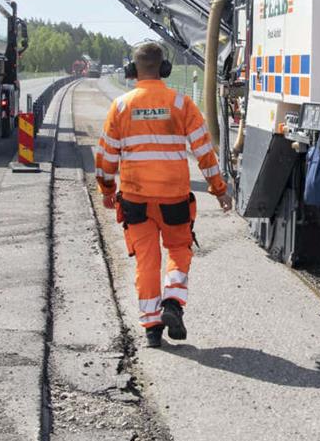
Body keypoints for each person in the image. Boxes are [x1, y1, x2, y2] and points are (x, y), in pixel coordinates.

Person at [95, 42, 231, 347]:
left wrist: (106, 189)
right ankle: (172, 302)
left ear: (132, 70)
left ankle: (152, 329)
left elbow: (105, 157)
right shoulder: (181, 104)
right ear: (164, 69)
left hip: (135, 199)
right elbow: (204, 152)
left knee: (146, 261)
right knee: (179, 251)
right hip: (174, 199)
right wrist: (219, 190)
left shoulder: (120, 106)